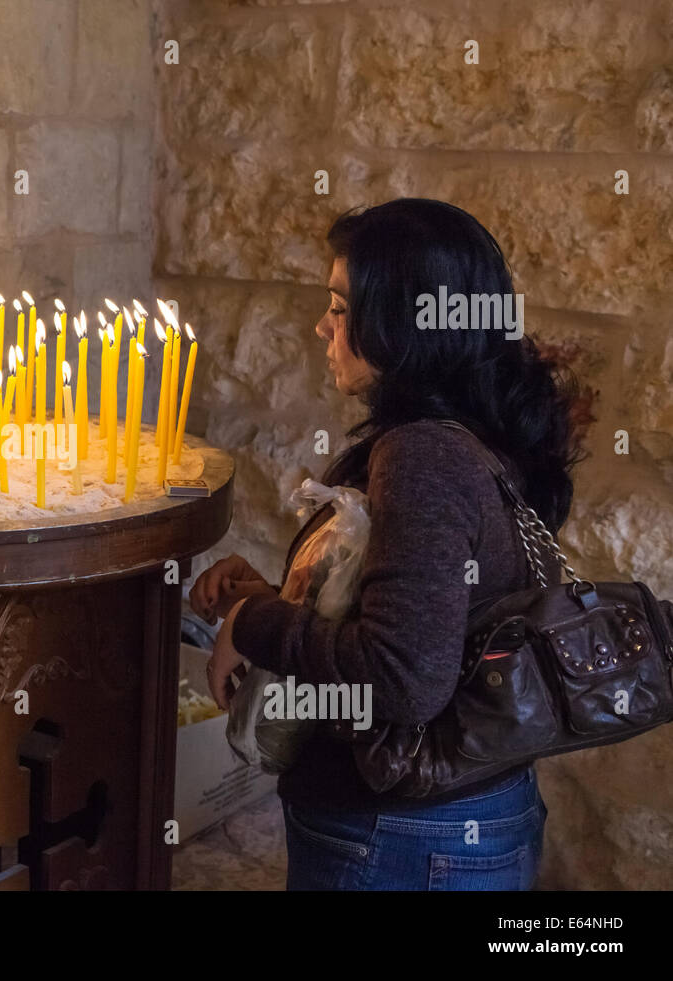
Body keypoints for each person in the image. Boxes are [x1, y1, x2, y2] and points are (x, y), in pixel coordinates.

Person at [190, 198, 581, 890]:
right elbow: (427, 619)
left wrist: (253, 624)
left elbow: (402, 675)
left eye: (341, 309)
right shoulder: (477, 434)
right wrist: (274, 597)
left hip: (401, 840)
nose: (322, 327)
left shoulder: (424, 454)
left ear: (402, 321)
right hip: (456, 821)